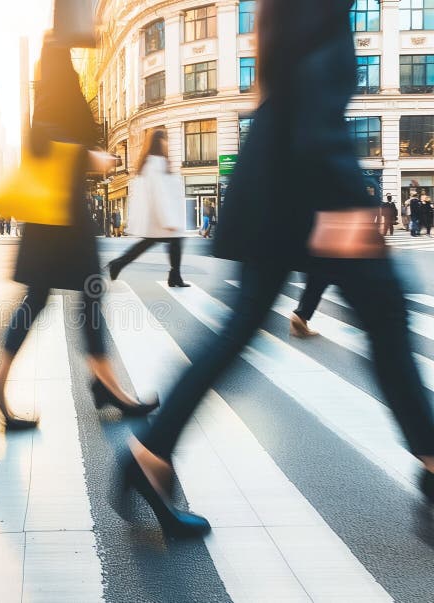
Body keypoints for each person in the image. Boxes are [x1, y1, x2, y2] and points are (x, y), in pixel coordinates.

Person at [110, 0, 434, 539]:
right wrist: (352, 209)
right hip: (314, 188)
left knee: (241, 329)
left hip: (279, 187)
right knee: (387, 319)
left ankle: (149, 453)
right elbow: (314, 109)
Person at [0, 39, 158, 430]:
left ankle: (1, 383)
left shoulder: (47, 93)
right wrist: (90, 157)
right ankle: (105, 384)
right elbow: (44, 143)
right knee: (88, 294)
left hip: (51, 218)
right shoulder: (54, 97)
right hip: (62, 216)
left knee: (41, 299)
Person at [107, 129, 191, 288]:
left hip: (160, 216)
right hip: (161, 216)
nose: (167, 143)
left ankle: (119, 264)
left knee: (153, 243)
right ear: (159, 142)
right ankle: (119, 264)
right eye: (165, 140)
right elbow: (160, 192)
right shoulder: (155, 163)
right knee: (169, 242)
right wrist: (168, 219)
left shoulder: (155, 162)